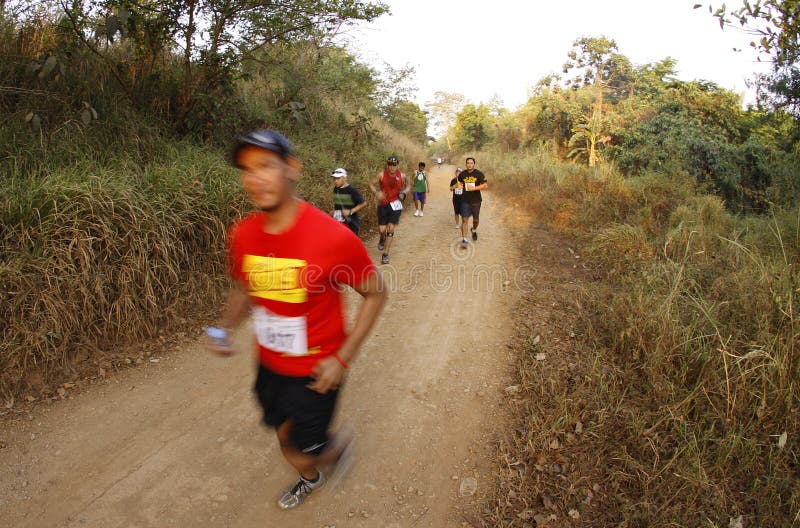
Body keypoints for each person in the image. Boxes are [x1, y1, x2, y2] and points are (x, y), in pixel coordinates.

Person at [205, 129, 386, 510]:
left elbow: (375, 292)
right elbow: (243, 286)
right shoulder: (243, 235)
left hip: (317, 372)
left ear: (292, 169)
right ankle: (313, 474)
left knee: (303, 448)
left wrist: (342, 359)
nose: (255, 178)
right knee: (284, 434)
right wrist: (224, 328)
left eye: (266, 166)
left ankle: (329, 454)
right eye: (247, 169)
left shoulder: (331, 237)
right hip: (269, 364)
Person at [368, 155, 411, 265]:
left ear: (397, 165)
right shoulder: (381, 175)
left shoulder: (402, 175)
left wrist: (404, 193)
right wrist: (376, 193)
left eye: (394, 165)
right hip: (383, 204)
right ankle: (382, 238)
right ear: (387, 165)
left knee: (391, 228)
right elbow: (371, 184)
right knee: (382, 230)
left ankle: (385, 254)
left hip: (396, 204)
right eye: (390, 165)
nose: (392, 167)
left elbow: (409, 185)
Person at [457, 157, 488, 247]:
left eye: (471, 163)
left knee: (475, 220)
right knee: (464, 220)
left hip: (476, 200)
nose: (469, 164)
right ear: (465, 164)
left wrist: (474, 188)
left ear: (474, 164)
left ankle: (474, 229)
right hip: (465, 200)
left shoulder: (479, 174)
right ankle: (464, 240)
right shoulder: (462, 174)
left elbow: (485, 185)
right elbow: (459, 182)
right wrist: (459, 186)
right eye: (468, 163)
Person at [330, 167, 366, 235]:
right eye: (334, 178)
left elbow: (363, 203)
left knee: (351, 244)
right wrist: (334, 211)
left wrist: (350, 211)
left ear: (344, 178)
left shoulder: (351, 190)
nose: (335, 181)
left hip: (351, 223)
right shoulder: (336, 189)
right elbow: (339, 204)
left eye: (338, 178)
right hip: (339, 222)